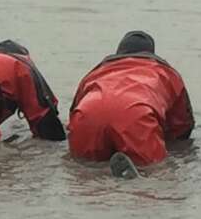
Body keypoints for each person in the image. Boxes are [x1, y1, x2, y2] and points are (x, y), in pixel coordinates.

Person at [68, 31, 193, 166]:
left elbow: (74, 109)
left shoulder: (95, 72)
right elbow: (181, 125)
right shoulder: (167, 73)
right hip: (136, 115)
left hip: (87, 115)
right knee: (154, 169)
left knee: (83, 167)